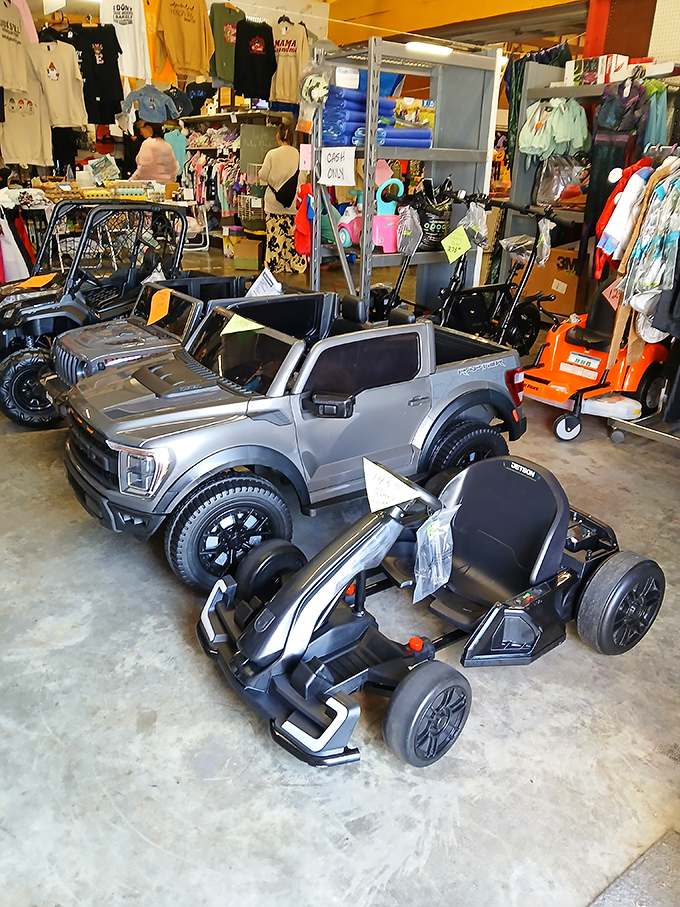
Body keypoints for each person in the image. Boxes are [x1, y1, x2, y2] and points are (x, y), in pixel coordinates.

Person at [259, 122, 306, 273]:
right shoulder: (300, 155)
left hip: (273, 203)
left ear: (278, 137)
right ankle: (295, 265)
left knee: (275, 236)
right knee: (292, 237)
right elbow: (304, 178)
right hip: (294, 203)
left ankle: (275, 265)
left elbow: (263, 175)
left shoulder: (272, 154)